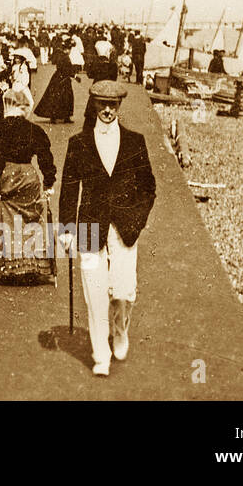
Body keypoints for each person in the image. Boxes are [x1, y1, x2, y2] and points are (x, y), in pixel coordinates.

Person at [58, 81, 157, 376]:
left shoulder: (135, 142)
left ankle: (120, 330)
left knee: (124, 291)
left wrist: (137, 221)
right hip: (89, 226)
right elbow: (68, 189)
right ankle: (101, 354)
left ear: (119, 106)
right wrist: (65, 229)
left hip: (125, 227)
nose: (107, 110)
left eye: (112, 105)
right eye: (102, 104)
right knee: (94, 292)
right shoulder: (78, 143)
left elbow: (148, 189)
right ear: (94, 105)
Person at [0, 89, 57, 285]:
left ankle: (6, 265)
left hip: (8, 175)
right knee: (30, 220)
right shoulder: (34, 130)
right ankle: (32, 264)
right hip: (28, 176)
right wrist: (49, 181)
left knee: (7, 220)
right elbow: (45, 156)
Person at [34, 38, 78, 123]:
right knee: (61, 98)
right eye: (68, 49)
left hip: (60, 78)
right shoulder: (63, 56)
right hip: (62, 79)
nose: (69, 51)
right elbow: (65, 69)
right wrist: (74, 75)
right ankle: (57, 116)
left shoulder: (61, 55)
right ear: (66, 49)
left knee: (62, 98)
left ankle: (63, 117)